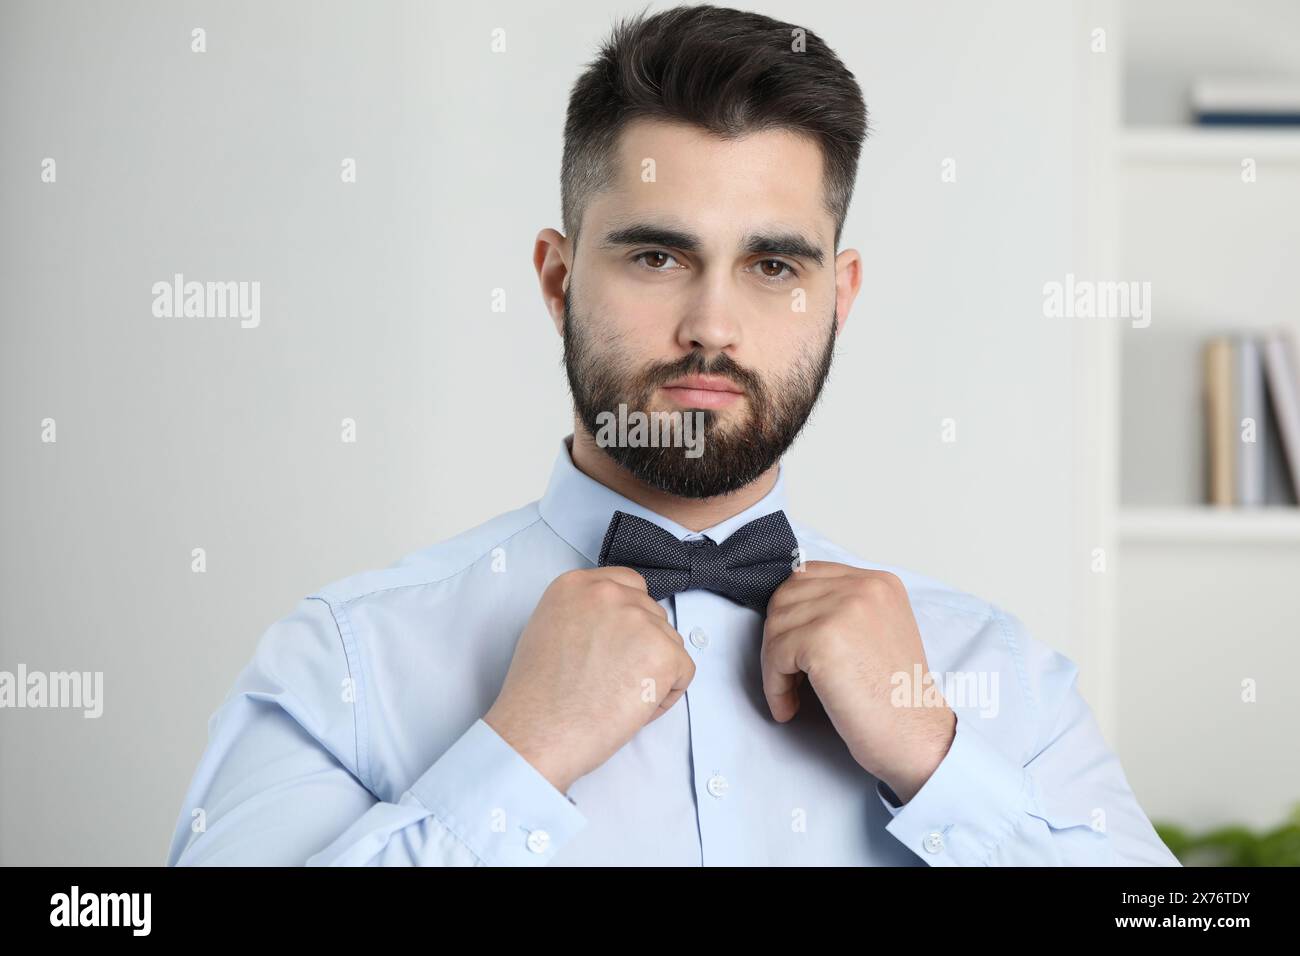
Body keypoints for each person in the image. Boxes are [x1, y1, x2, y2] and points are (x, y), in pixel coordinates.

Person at [167, 4, 1178, 866]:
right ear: (558, 278)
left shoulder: (994, 674)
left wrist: (935, 756)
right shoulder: (345, 663)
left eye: (774, 266)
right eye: (657, 255)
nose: (712, 325)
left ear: (839, 297)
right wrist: (518, 753)